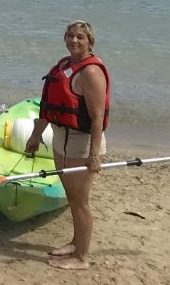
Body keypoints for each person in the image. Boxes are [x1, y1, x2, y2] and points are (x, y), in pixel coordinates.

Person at [24, 20, 109, 270]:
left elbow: (97, 118)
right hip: (61, 138)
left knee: (80, 201)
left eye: (80, 37)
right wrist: (35, 135)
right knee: (72, 198)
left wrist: (94, 155)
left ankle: (82, 257)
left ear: (90, 42)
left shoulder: (91, 72)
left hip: (82, 144)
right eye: (70, 35)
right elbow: (46, 107)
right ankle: (75, 243)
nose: (74, 41)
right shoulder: (64, 65)